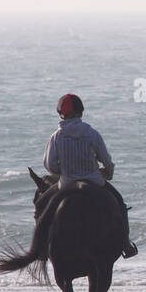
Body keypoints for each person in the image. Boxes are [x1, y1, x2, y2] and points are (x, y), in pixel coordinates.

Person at [41, 93, 137, 258]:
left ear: (60, 114)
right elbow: (106, 160)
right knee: (119, 203)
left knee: (41, 205)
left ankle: (41, 247)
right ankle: (126, 244)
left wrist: (63, 171)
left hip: (67, 184)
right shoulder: (92, 134)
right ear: (80, 112)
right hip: (94, 182)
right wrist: (108, 173)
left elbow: (49, 165)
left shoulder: (56, 137)